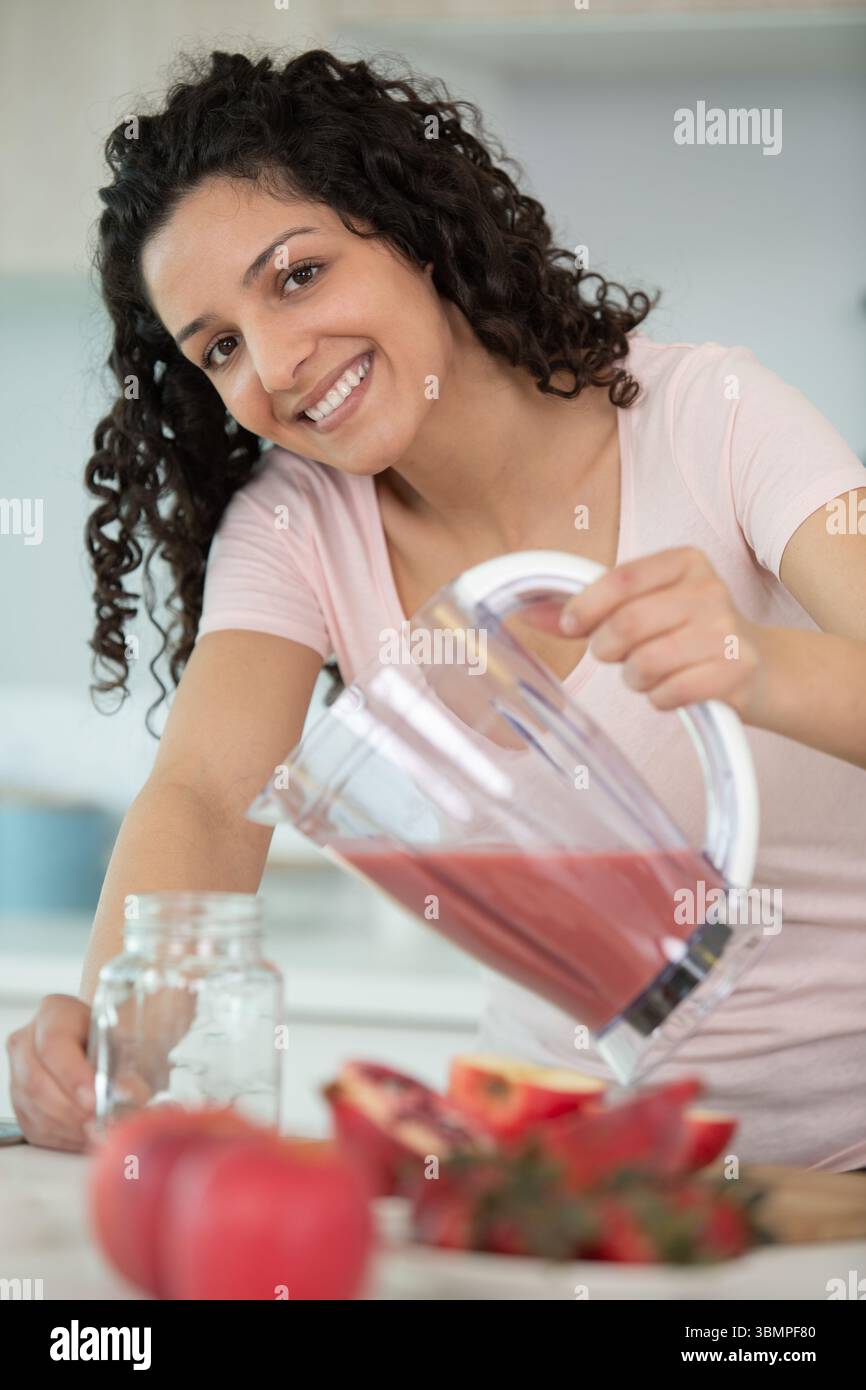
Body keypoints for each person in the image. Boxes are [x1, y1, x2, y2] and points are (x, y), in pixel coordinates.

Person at [7, 48, 865, 1166]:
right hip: (567, 1179)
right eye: (218, 346)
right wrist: (113, 1029)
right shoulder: (293, 525)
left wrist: (754, 665)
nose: (273, 360)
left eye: (298, 275)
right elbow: (212, 801)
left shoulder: (714, 418)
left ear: (407, 226)